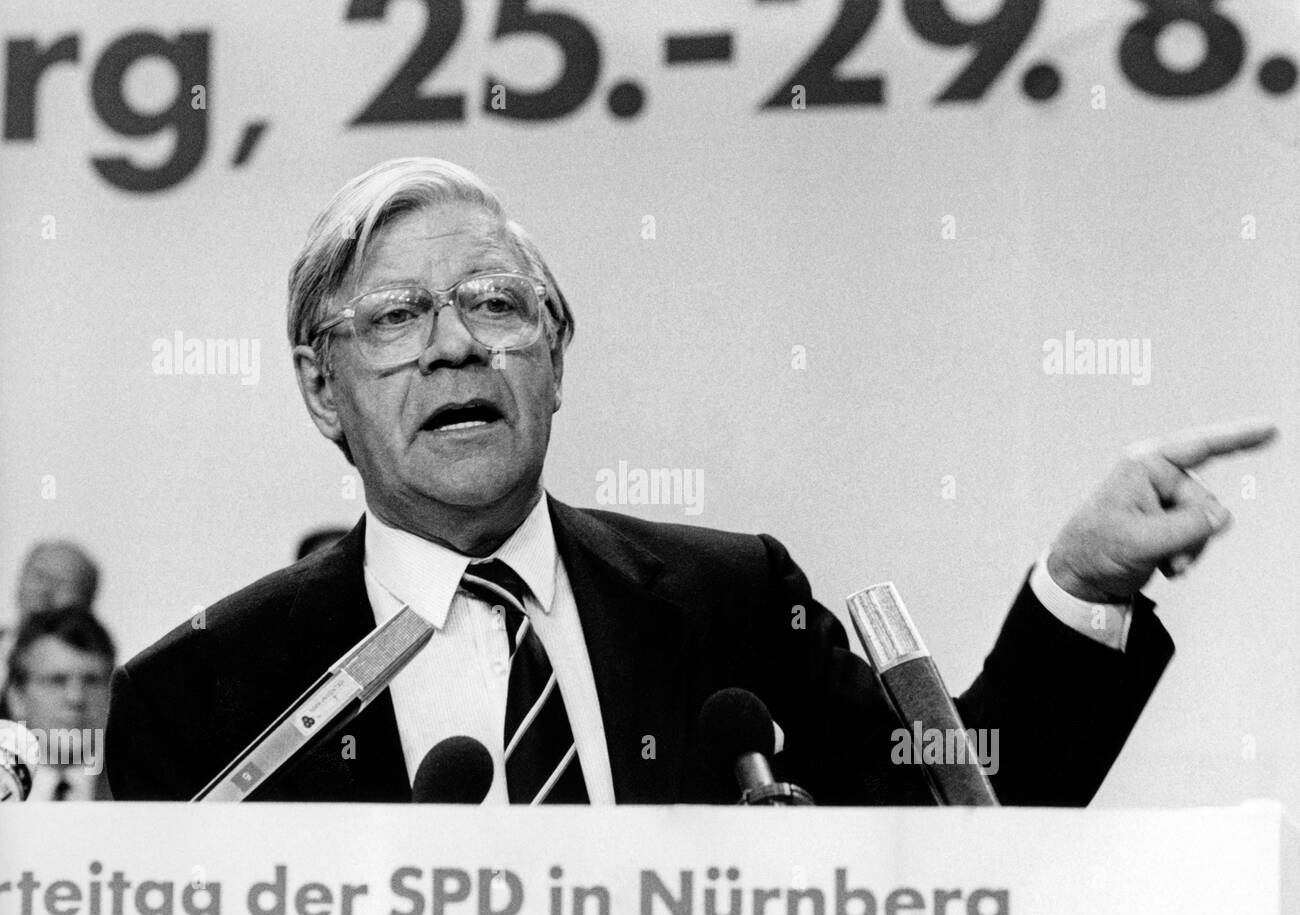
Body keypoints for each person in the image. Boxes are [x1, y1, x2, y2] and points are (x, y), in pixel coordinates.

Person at [105, 157, 1276, 805]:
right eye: (398, 317)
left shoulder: (732, 600)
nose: (456, 345)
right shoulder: (202, 693)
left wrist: (1078, 586)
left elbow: (965, 823)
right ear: (322, 391)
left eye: (496, 304)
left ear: (558, 357)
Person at [5, 607, 115, 801]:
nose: (76, 698)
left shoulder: (145, 791)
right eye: (57, 681)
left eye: (91, 681)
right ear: (17, 698)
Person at [0, 540, 100, 702]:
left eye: (62, 583)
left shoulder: (97, 678)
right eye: (39, 576)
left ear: (88, 598)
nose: (45, 590)